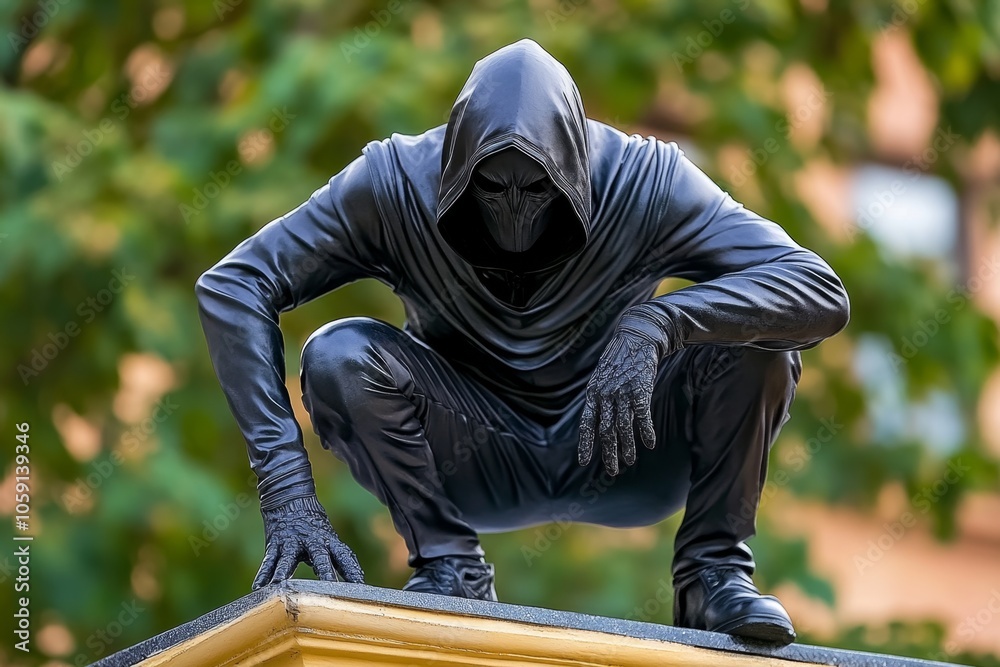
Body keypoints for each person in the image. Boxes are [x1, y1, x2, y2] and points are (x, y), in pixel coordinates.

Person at [195, 39, 849, 644]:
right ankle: (449, 565)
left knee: (759, 335)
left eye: (536, 186)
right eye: (491, 185)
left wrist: (660, 321)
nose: (514, 208)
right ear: (455, 166)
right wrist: (286, 490)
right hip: (473, 449)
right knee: (337, 355)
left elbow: (818, 290)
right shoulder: (392, 186)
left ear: (573, 165)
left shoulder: (647, 182)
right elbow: (234, 286)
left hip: (626, 443)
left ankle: (713, 571)